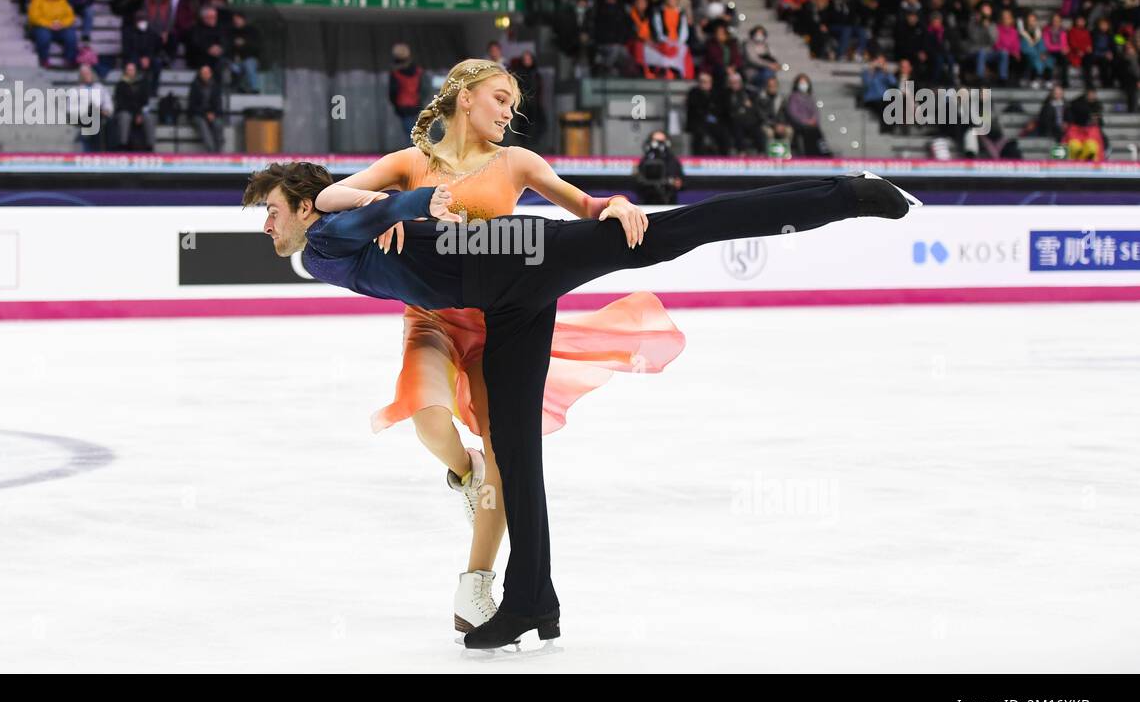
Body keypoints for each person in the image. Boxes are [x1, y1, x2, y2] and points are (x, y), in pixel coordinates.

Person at [246, 106, 919, 649]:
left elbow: (353, 203)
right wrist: (402, 208)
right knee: (514, 451)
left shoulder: (327, 232)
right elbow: (364, 205)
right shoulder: (326, 242)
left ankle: (842, 193)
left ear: (302, 205)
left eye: (272, 207)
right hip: (505, 304)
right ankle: (531, 600)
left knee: (666, 234)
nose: (266, 222)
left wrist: (409, 205)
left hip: (521, 257)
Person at [307, 59, 688, 637]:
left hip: (495, 326)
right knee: (429, 421)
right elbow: (334, 195)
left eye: (513, 103)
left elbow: (581, 207)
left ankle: (476, 582)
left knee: (504, 450)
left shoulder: (517, 163)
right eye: (500, 98)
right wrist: (379, 207)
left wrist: (615, 205)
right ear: (464, 98)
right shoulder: (414, 164)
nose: (511, 111)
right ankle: (464, 475)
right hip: (431, 320)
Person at [632, 130, 684, 204]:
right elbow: (637, 184)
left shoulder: (672, 161)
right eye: (656, 141)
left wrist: (678, 183)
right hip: (647, 201)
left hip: (667, 200)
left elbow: (682, 182)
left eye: (662, 141)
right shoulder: (645, 160)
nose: (659, 144)